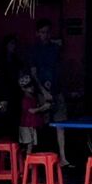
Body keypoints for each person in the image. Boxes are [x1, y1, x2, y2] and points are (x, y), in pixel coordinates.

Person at [28, 19, 69, 168]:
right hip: (41, 92)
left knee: (60, 124)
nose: (45, 35)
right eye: (42, 32)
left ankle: (63, 157)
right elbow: (33, 73)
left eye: (47, 32)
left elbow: (59, 71)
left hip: (57, 91)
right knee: (41, 125)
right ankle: (42, 157)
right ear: (37, 33)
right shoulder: (33, 51)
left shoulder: (55, 49)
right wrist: (44, 91)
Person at [17, 70, 50, 157]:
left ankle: (27, 161)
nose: (31, 87)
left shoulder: (33, 97)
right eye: (28, 86)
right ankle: (27, 163)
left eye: (31, 85)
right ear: (23, 88)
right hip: (26, 125)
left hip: (32, 125)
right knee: (29, 145)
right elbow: (31, 111)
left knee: (32, 145)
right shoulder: (25, 99)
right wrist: (43, 108)